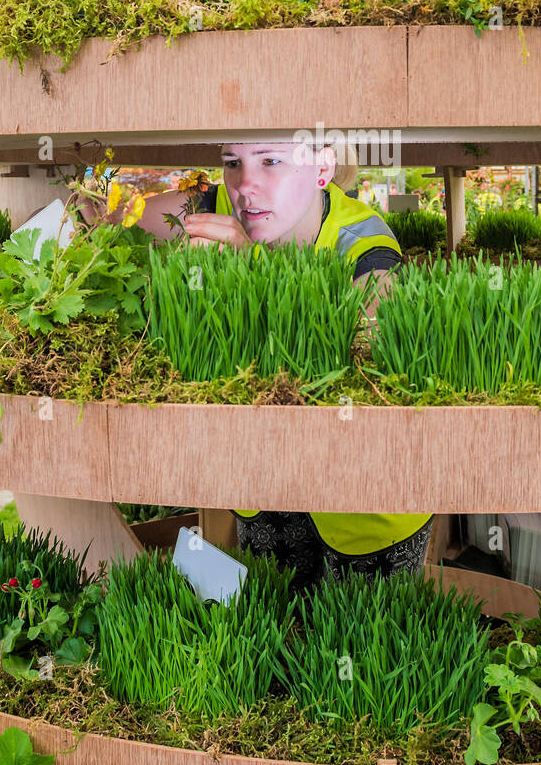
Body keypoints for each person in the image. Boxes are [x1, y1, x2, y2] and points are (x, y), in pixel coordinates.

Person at [87, 137, 433, 586]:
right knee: (270, 627)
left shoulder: (364, 243)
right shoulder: (221, 203)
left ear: (322, 168)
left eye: (271, 161)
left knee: (358, 645)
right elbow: (109, 220)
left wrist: (250, 275)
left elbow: (367, 362)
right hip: (265, 482)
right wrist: (93, 215)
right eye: (233, 162)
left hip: (361, 502)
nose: (245, 185)